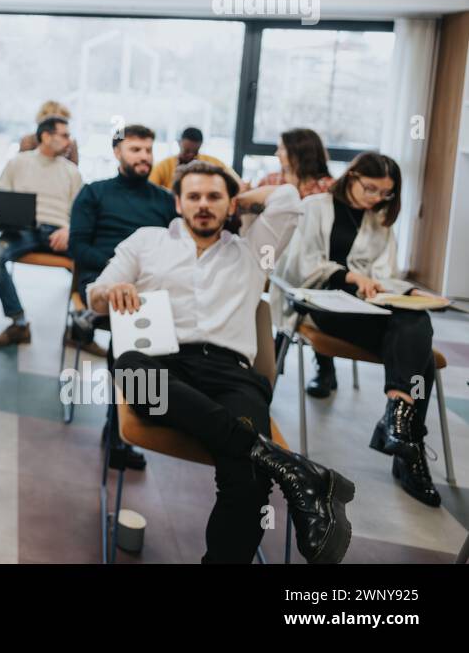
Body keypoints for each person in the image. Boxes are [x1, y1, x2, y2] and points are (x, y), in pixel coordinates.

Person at [97, 161, 354, 564]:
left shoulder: (255, 248)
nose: (203, 205)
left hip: (231, 374)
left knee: (248, 480)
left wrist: (241, 198)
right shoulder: (148, 240)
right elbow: (98, 291)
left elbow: (288, 199)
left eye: (214, 197)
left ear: (230, 204)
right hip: (161, 363)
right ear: (177, 201)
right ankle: (289, 467)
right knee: (130, 367)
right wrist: (116, 289)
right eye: (194, 196)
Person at [274, 152, 443, 507]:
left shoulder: (379, 217)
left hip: (367, 308)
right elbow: (300, 265)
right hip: (321, 303)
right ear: (351, 177)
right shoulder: (316, 206)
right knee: (418, 349)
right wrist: (352, 276)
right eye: (371, 189)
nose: (377, 199)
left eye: (386, 193)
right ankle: (409, 455)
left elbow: (385, 272)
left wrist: (398, 289)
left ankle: (400, 420)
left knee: (414, 319)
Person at [69, 124, 178, 470]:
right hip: (104, 277)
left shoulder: (164, 200)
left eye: (148, 150)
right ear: (117, 152)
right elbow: (78, 247)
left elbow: (178, 249)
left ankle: (132, 416)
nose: (144, 157)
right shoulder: (94, 193)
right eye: (135, 150)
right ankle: (120, 428)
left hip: (150, 282)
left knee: (152, 315)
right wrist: (122, 270)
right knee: (132, 317)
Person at [252, 128, 337, 396]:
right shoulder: (270, 180)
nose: (277, 153)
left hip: (309, 262)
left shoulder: (327, 188)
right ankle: (261, 360)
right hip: (271, 256)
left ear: (298, 152)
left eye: (282, 148)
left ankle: (321, 366)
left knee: (310, 284)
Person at [0, 115, 84, 347]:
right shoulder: (18, 163)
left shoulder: (72, 171)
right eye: (64, 135)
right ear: (45, 136)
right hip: (24, 230)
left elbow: (82, 214)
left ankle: (82, 330)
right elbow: (1, 197)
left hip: (60, 231)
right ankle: (19, 323)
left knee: (91, 259)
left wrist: (70, 230)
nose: (69, 141)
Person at [148, 126, 237, 190]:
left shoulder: (212, 162)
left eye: (195, 152)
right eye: (186, 151)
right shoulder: (164, 165)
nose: (190, 155)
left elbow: (236, 181)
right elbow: (149, 188)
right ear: (179, 143)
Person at [19, 100, 80, 165]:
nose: (63, 124)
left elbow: (73, 171)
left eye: (64, 121)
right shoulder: (28, 141)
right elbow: (22, 168)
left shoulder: (71, 144)